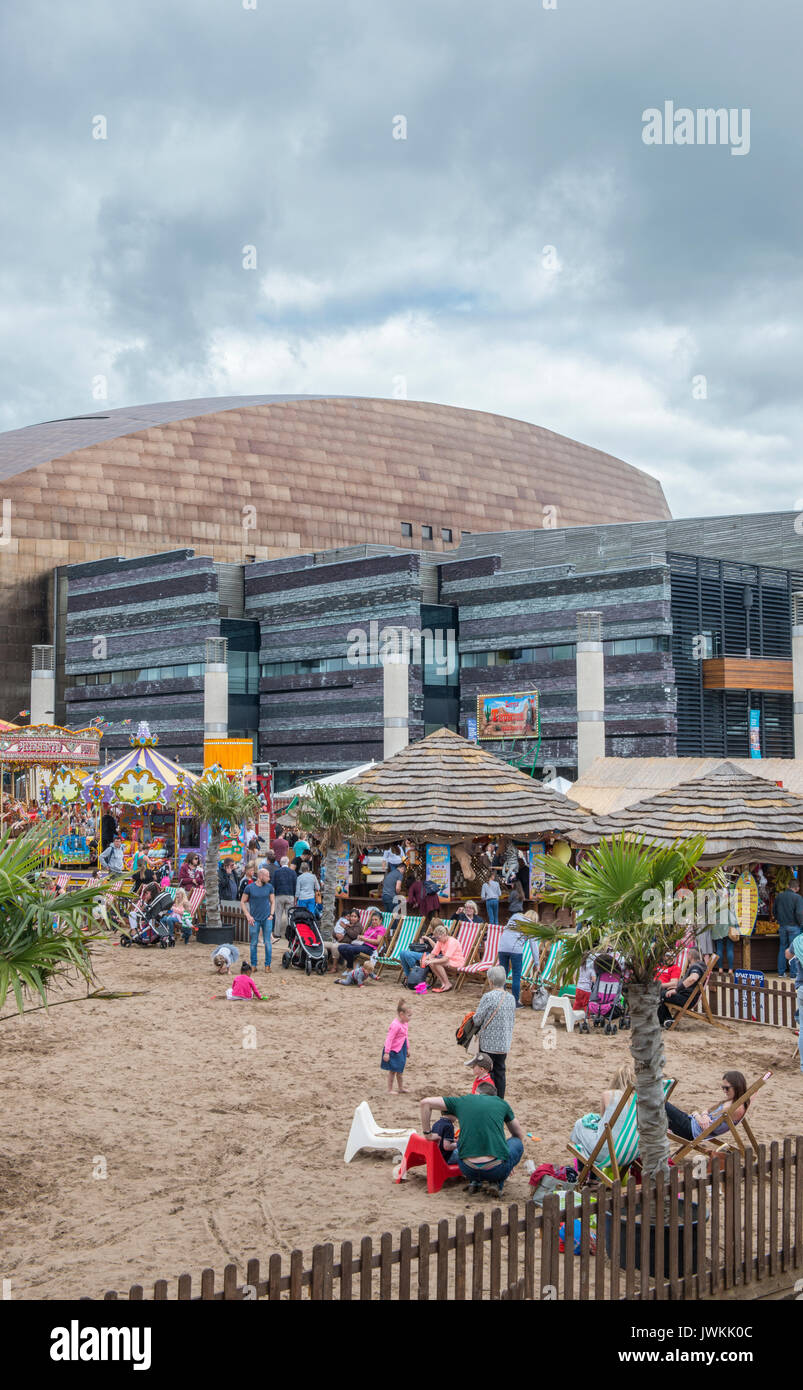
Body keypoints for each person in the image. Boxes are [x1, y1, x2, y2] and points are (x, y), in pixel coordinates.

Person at [419, 1085, 525, 1196]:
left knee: (463, 1139)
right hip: (495, 1169)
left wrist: (428, 1134)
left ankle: (475, 1181)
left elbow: (425, 1102)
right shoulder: (501, 1103)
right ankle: (497, 1182)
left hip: (467, 1169)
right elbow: (518, 1134)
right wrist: (510, 1163)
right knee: (516, 1142)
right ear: (493, 1097)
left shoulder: (462, 1101)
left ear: (476, 1093)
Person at [569, 1063, 636, 1161]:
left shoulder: (608, 1095)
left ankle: (583, 1168)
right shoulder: (640, 1100)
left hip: (608, 1154)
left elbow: (603, 1121)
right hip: (629, 1154)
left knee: (579, 1124)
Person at [471, 965, 517, 1098]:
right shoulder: (511, 998)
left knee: (487, 1073)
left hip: (488, 1043)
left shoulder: (488, 996)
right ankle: (500, 1101)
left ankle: (487, 1099)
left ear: (490, 981)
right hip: (503, 1042)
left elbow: (478, 1019)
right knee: (500, 1072)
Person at [665, 1071, 750, 1142]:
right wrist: (704, 1115)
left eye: (727, 1088)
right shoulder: (732, 1101)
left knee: (661, 1103)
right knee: (658, 1113)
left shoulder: (735, 1109)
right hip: (690, 1123)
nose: (724, 1091)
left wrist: (696, 1115)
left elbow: (707, 1127)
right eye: (723, 1087)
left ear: (737, 1087)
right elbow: (707, 1111)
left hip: (690, 1130)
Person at [657, 947, 706, 1027]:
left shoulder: (696, 967)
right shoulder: (701, 965)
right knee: (661, 993)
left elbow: (693, 978)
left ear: (690, 956)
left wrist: (676, 990)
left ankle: (666, 1020)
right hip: (686, 996)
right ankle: (667, 1019)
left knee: (658, 994)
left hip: (686, 998)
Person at [497, 907, 535, 1006]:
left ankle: (502, 999)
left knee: (503, 974)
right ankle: (515, 1002)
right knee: (516, 976)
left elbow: (506, 929)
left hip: (502, 947)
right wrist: (537, 962)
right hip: (515, 949)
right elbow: (533, 945)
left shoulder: (515, 916)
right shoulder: (531, 925)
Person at [241, 867, 275, 972]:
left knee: (268, 942)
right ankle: (254, 965)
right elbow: (242, 902)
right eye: (267, 876)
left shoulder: (269, 887)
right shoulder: (250, 888)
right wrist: (248, 915)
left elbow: (273, 901)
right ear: (261, 876)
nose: (269, 878)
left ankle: (267, 965)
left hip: (267, 918)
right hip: (254, 919)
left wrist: (271, 914)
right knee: (253, 943)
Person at [420, 921, 466, 993]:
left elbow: (445, 959)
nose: (437, 940)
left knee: (436, 963)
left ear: (444, 934)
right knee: (431, 963)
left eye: (438, 937)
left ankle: (448, 984)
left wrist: (431, 960)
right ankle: (443, 983)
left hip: (457, 962)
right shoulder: (440, 941)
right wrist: (427, 959)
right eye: (436, 938)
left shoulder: (452, 942)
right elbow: (433, 954)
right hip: (447, 961)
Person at [382, 999, 412, 1093]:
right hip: (393, 1050)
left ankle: (400, 1088)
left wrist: (407, 1048)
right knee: (392, 1071)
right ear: (401, 1014)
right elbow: (389, 1039)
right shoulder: (395, 1025)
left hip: (401, 1049)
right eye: (409, 1015)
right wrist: (387, 1053)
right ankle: (389, 1089)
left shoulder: (405, 1023)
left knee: (400, 1070)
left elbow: (405, 1036)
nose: (410, 1018)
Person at [774, 878, 803, 978]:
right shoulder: (798, 898)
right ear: (797, 888)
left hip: (782, 926)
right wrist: (801, 924)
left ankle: (781, 973)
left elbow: (774, 911)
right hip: (794, 926)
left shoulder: (779, 896)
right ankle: (793, 974)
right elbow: (799, 913)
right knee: (794, 949)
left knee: (782, 948)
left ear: (788, 886)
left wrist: (779, 920)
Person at [272, 856, 298, 939]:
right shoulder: (293, 872)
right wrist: (294, 897)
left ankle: (277, 933)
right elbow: (295, 885)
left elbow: (273, 885)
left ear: (280, 863)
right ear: (288, 862)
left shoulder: (276, 872)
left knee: (278, 915)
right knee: (289, 916)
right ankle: (289, 934)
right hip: (290, 895)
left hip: (279, 895)